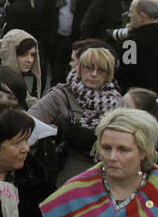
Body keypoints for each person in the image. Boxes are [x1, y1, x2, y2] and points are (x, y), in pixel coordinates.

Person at [28, 46, 123, 183]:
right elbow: (29, 122)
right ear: (80, 68)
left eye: (101, 70)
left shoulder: (117, 101)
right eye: (89, 68)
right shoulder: (61, 95)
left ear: (109, 74)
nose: (94, 74)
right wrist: (57, 131)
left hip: (105, 173)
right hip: (66, 173)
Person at [112, 0, 158, 97]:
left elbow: (123, 72)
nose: (129, 15)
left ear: (141, 16)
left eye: (131, 12)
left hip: (134, 96)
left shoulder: (131, 42)